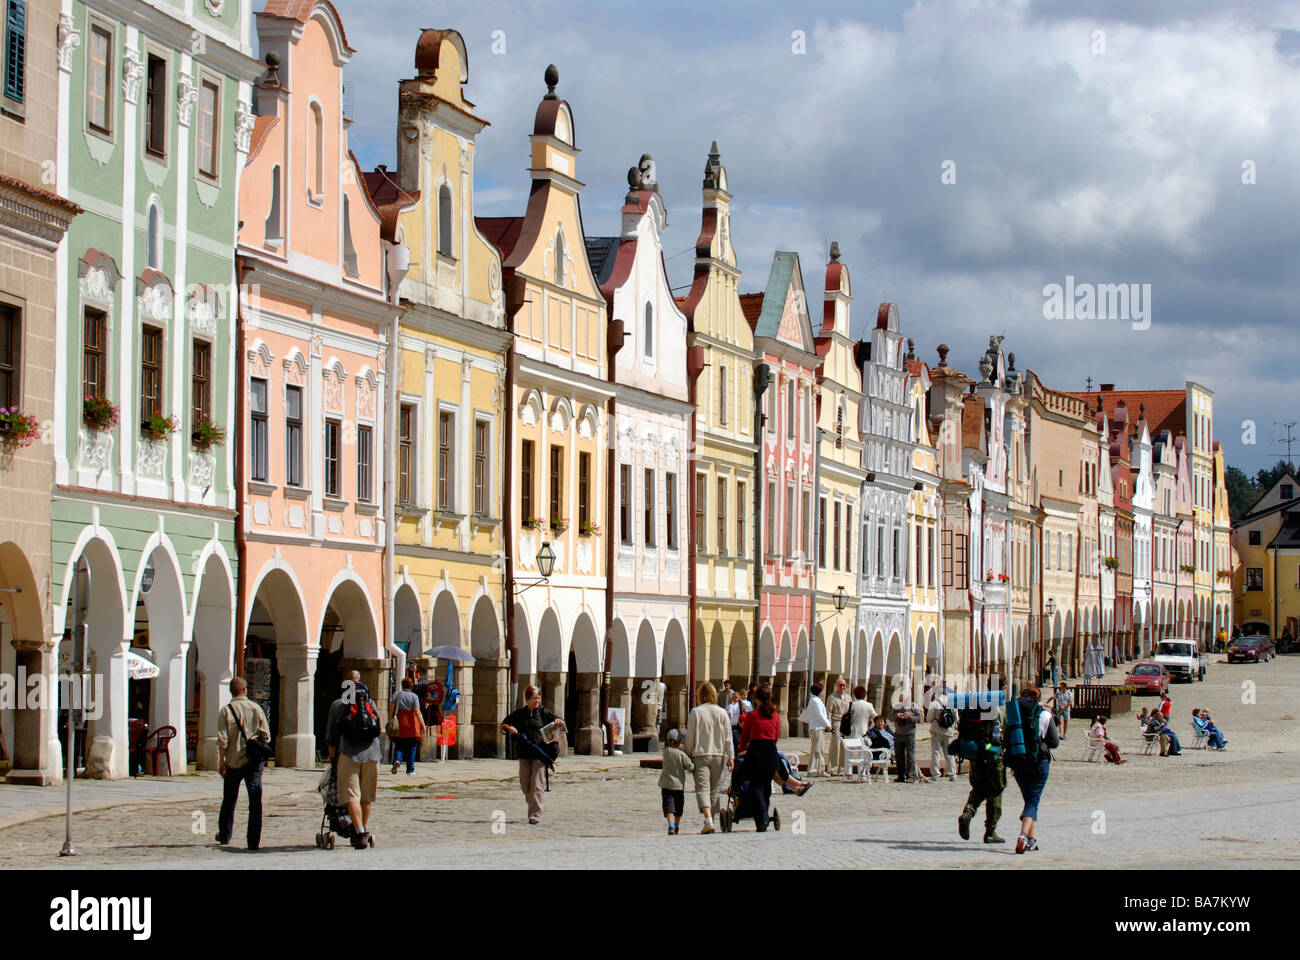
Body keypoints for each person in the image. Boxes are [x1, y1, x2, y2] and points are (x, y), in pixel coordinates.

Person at [326, 671, 382, 849]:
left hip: (349, 753)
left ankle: (358, 831)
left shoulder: (338, 705)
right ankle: (363, 830)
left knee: (352, 795)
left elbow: (331, 735)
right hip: (372, 754)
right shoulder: (370, 702)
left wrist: (333, 755)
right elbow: (378, 728)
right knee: (366, 797)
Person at [215, 676, 271, 850]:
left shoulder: (226, 710)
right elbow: (266, 736)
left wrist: (221, 761)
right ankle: (253, 840)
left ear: (231, 691)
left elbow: (222, 740)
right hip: (254, 762)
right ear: (245, 690)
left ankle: (225, 834)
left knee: (229, 799)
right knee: (255, 800)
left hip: (233, 761)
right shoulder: (256, 708)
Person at [1005, 684, 1059, 854]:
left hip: (1019, 762)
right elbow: (1054, 742)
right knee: (1032, 802)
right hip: (1039, 762)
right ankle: (1022, 836)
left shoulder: (1015, 716)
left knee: (1029, 800)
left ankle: (1031, 840)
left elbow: (1007, 739)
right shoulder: (1044, 715)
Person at [500, 686, 565, 825]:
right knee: (525, 783)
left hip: (540, 753)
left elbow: (559, 722)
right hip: (524, 752)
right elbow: (504, 725)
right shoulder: (520, 714)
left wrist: (559, 723)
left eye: (539, 698)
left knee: (537, 784)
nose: (537, 701)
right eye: (534, 698)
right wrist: (510, 728)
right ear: (527, 699)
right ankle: (534, 804)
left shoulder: (544, 714)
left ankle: (535, 813)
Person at [685, 682, 734, 834]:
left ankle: (708, 820)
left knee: (702, 789)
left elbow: (690, 736)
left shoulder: (696, 712)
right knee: (714, 791)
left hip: (700, 754)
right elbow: (728, 737)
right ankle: (710, 820)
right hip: (719, 755)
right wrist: (730, 756)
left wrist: (688, 751)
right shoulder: (722, 713)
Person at [955, 701, 1007, 844]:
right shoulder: (1001, 709)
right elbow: (1007, 733)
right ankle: (990, 831)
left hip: (977, 755)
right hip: (994, 756)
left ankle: (968, 812)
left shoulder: (979, 705)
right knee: (995, 791)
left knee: (978, 788)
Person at [737, 683, 781, 832]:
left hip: (755, 752)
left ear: (757, 699)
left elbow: (744, 736)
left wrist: (742, 749)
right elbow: (776, 737)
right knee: (766, 785)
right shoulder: (775, 716)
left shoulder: (752, 716)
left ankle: (761, 819)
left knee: (756, 786)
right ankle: (763, 816)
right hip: (770, 751)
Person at [658, 729, 694, 835]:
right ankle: (677, 825)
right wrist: (686, 753)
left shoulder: (665, 752)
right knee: (678, 807)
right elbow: (691, 767)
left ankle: (671, 825)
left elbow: (670, 749)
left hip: (666, 785)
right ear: (679, 742)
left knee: (669, 807)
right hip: (678, 786)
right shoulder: (681, 754)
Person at [388, 676, 425, 775]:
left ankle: (397, 759)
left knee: (399, 745)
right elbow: (417, 712)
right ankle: (410, 769)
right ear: (411, 686)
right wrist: (422, 725)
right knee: (412, 748)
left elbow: (391, 710)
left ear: (402, 685)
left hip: (399, 725)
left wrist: (389, 721)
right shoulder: (414, 697)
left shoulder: (396, 695)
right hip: (411, 726)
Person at [925, 685, 957, 782]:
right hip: (949, 731)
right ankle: (952, 774)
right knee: (949, 753)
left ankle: (935, 774)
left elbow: (928, 718)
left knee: (936, 753)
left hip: (936, 731)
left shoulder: (934, 703)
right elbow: (956, 718)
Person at [799, 682, 832, 777]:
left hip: (819, 728)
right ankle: (812, 769)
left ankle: (820, 769)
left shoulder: (816, 700)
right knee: (816, 750)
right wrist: (828, 725)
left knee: (820, 749)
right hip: (817, 728)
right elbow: (820, 715)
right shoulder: (815, 701)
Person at [891, 694, 922, 782]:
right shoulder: (896, 707)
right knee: (899, 756)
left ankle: (910, 776)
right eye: (900, 700)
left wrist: (910, 717)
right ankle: (900, 775)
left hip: (910, 733)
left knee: (910, 755)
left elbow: (919, 718)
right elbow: (891, 718)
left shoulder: (914, 706)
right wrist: (897, 716)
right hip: (898, 733)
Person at [826, 678, 852, 775]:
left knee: (844, 746)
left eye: (844, 685)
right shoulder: (832, 697)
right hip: (836, 722)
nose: (842, 687)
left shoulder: (848, 698)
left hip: (845, 723)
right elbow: (828, 712)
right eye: (840, 685)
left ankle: (842, 768)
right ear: (837, 686)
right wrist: (829, 724)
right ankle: (833, 768)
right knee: (835, 745)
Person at [726, 690, 747, 755]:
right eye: (734, 697)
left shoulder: (740, 703)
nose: (735, 699)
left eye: (737, 697)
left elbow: (745, 707)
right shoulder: (730, 705)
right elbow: (728, 712)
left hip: (739, 723)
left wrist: (741, 701)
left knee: (738, 736)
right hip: (732, 724)